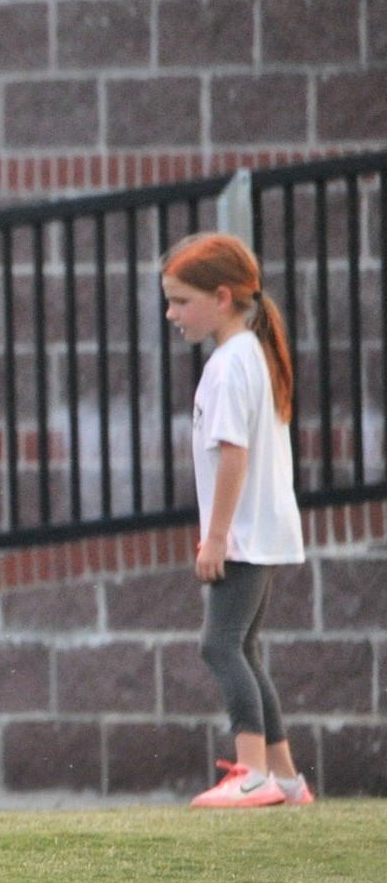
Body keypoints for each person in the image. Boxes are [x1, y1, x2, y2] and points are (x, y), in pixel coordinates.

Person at [160, 232, 314, 809]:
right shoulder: (254, 353)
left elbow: (233, 454)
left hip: (244, 538)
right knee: (243, 648)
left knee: (218, 646)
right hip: (266, 531)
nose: (171, 313)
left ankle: (250, 775)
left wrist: (216, 538)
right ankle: (287, 779)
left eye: (180, 300)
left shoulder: (229, 365)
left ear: (221, 297)